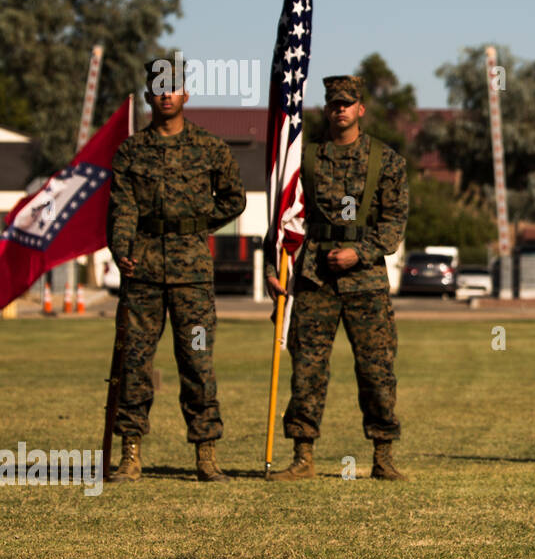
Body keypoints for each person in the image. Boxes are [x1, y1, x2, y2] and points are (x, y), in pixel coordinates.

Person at [106, 54, 247, 482]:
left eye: (173, 87)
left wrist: (197, 223)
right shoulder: (132, 151)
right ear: (149, 95)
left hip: (192, 277)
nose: (166, 95)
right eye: (158, 87)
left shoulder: (209, 148)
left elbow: (234, 199)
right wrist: (121, 249)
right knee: (134, 363)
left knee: (198, 360)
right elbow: (121, 210)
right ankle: (130, 453)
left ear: (185, 93)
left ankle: (206, 453)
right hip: (143, 273)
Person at [266, 75, 410, 481]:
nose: (340, 109)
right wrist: (271, 264)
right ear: (326, 108)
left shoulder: (387, 161)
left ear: (361, 108)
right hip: (315, 277)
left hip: (365, 281)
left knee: (376, 369)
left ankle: (383, 455)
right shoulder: (306, 159)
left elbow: (393, 225)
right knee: (307, 368)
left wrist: (359, 252)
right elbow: (284, 219)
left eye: (347, 103)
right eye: (333, 103)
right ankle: (303, 455)